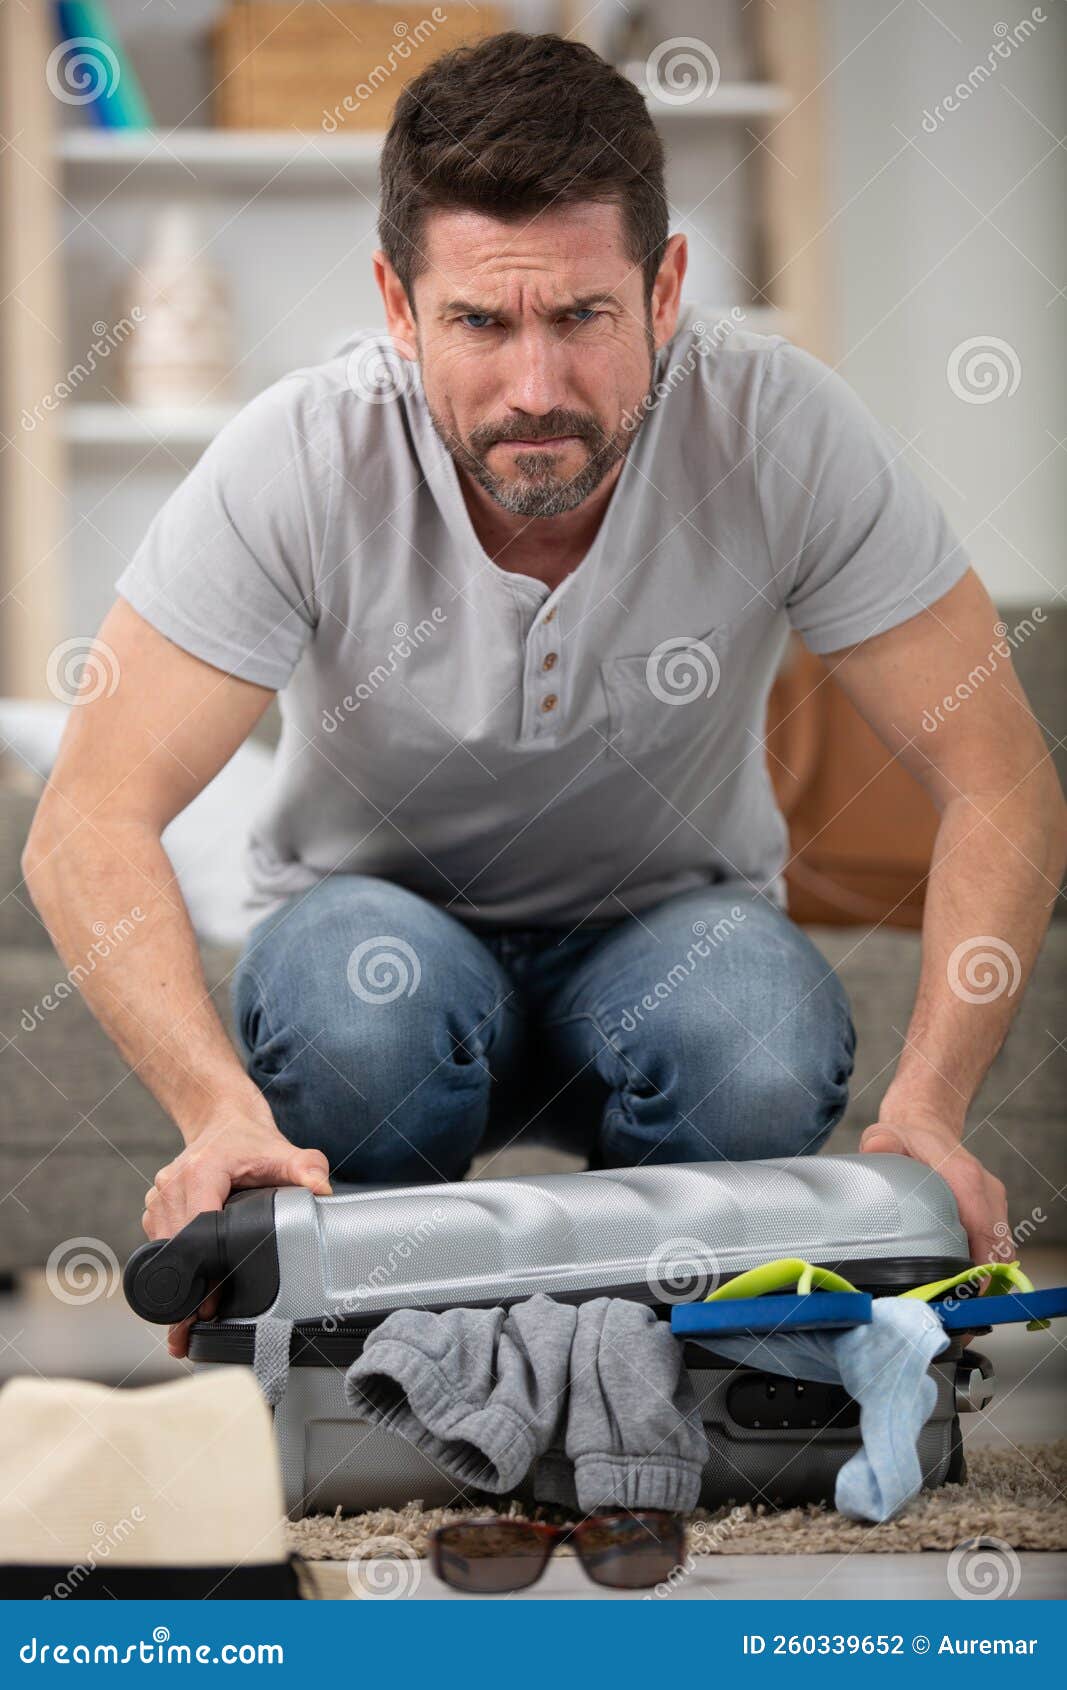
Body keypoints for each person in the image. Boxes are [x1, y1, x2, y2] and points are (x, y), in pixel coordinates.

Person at [23, 34, 1065, 1358]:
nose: (537, 389)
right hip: (380, 958)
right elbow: (85, 820)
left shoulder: (782, 430)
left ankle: (657, 1356)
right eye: (480, 322)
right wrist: (215, 1111)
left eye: (581, 317)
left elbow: (1002, 776)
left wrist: (930, 1106)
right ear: (399, 307)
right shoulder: (298, 455)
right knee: (356, 1018)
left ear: (666, 286)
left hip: (668, 941)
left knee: (757, 1035)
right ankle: (391, 1359)